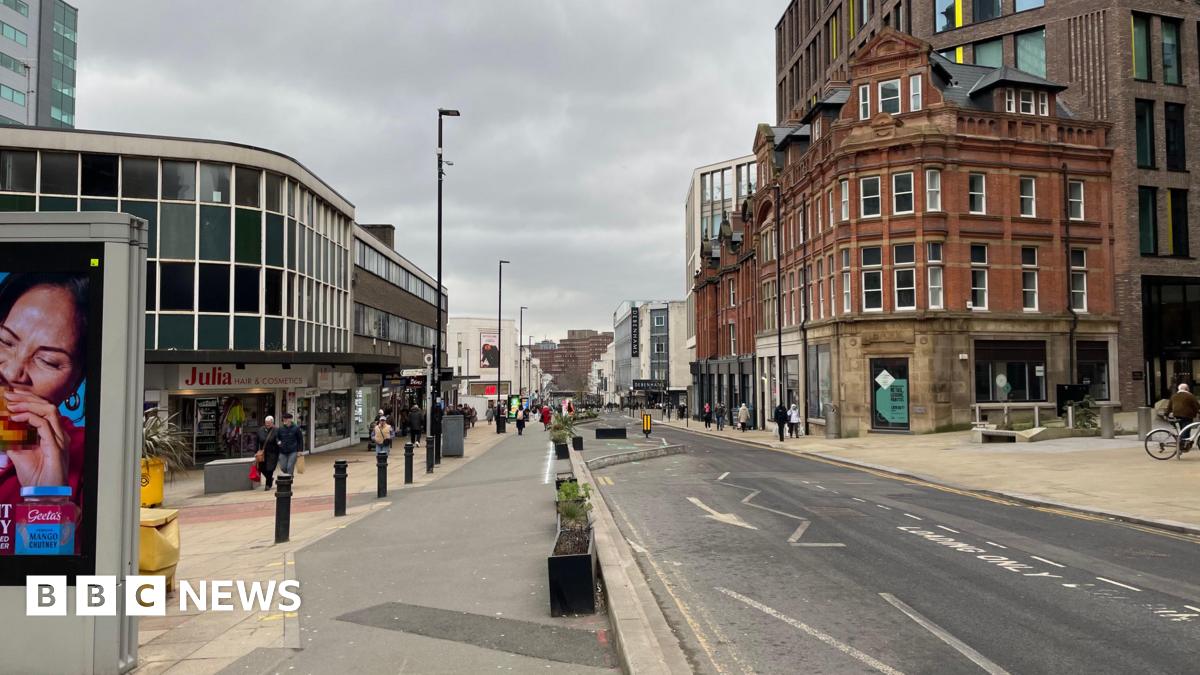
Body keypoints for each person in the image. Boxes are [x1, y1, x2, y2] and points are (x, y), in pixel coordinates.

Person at [0, 273, 90, 528]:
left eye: (48, 361)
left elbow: (51, 566)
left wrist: (46, 499)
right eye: (4, 341)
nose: (12, 371)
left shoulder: (92, 459)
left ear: (75, 383)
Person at [256, 415, 280, 489]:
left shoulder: (277, 430)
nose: (267, 425)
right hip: (263, 453)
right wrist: (256, 451)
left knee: (270, 469)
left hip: (273, 452)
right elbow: (257, 442)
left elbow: (279, 439)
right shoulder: (260, 430)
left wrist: (279, 442)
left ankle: (268, 485)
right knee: (261, 468)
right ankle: (270, 479)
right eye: (266, 423)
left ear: (272, 423)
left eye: (269, 423)